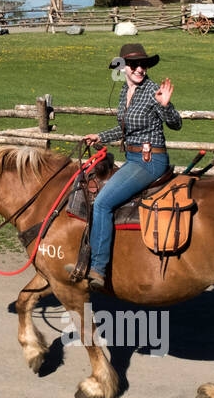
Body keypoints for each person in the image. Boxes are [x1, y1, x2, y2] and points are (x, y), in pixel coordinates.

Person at [75, 43, 181, 292]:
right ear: (123, 67)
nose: (140, 69)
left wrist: (166, 106)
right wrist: (100, 136)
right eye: (134, 65)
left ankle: (99, 269)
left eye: (144, 65)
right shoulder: (125, 91)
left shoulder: (153, 90)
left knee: (102, 203)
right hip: (132, 159)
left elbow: (176, 124)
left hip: (150, 161)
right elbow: (125, 128)